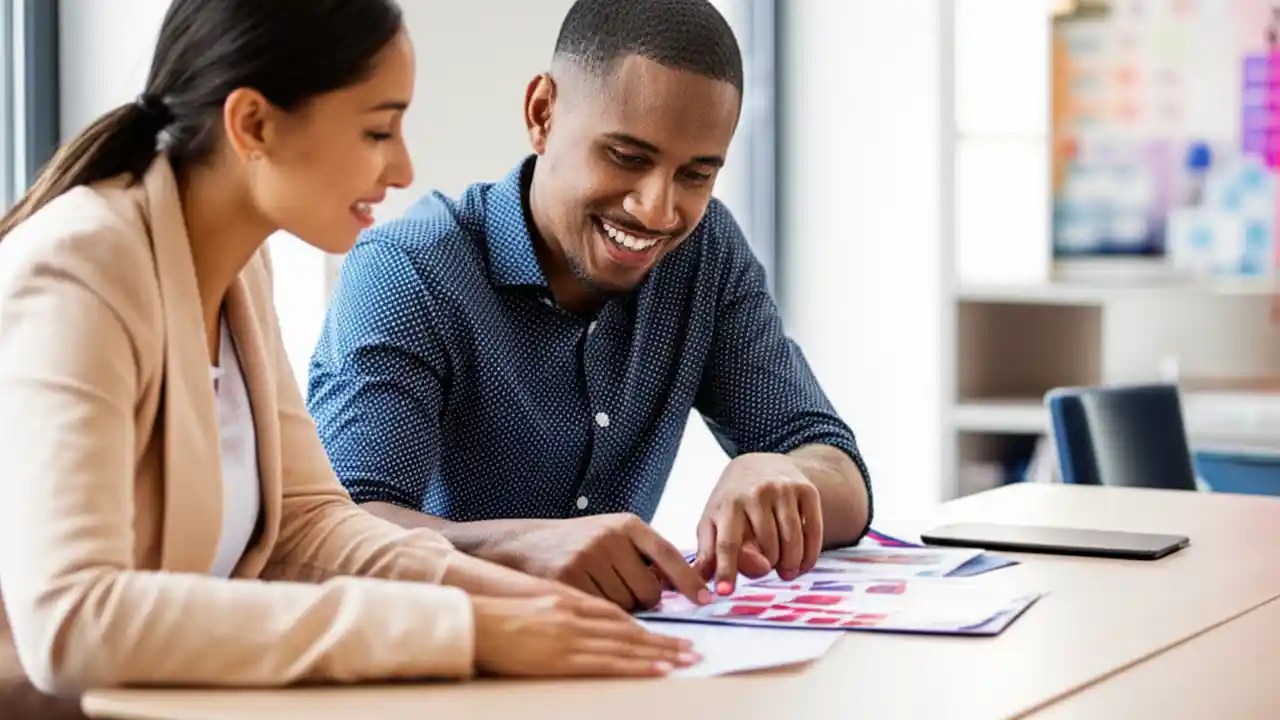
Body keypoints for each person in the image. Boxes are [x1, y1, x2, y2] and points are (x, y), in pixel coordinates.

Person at [0, 0, 697, 714]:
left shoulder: (235, 272)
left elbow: (308, 525)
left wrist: (519, 600)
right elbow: (72, 619)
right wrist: (463, 630)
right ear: (253, 125)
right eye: (376, 130)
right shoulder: (80, 268)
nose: (402, 168)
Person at [307, 0, 873, 613]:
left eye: (695, 176)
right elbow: (339, 538)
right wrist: (522, 546)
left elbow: (836, 468)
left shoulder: (704, 253)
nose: (658, 210)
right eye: (627, 158)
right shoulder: (410, 272)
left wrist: (782, 475)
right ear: (542, 114)